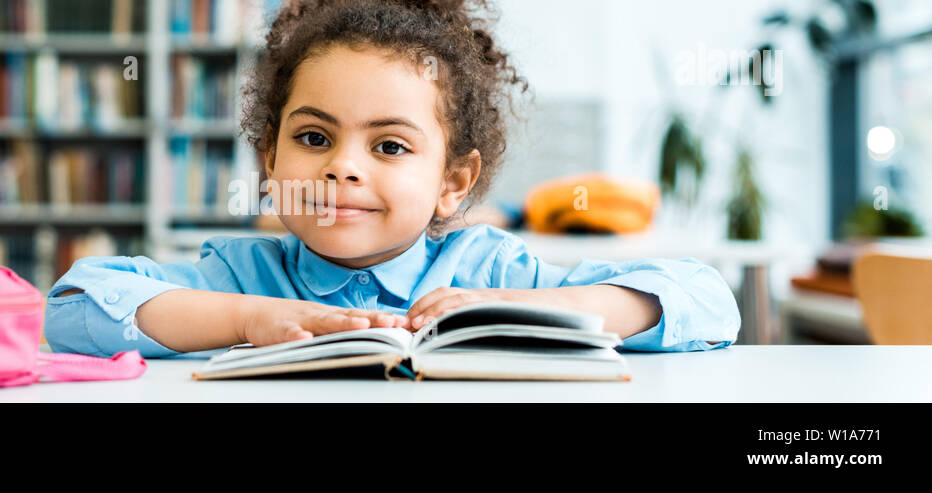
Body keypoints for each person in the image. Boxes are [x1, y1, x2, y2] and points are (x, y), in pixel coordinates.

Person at [44, 0, 740, 358]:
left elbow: (709, 302)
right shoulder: (238, 274)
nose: (342, 166)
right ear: (269, 161)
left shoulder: (494, 269)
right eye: (313, 137)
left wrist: (529, 312)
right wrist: (248, 318)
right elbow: (74, 303)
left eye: (390, 145)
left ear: (453, 181)